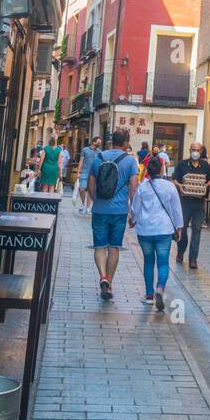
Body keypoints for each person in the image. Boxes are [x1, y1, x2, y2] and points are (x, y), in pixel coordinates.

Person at [87, 128, 139, 300]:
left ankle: (102, 276)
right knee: (114, 247)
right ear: (125, 143)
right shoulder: (130, 161)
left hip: (100, 210)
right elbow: (133, 188)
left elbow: (90, 184)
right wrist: (134, 212)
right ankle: (109, 282)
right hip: (119, 211)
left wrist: (96, 201)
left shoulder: (99, 157)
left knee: (99, 246)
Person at [129, 155, 183, 313]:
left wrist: (132, 220)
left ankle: (149, 295)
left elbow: (135, 209)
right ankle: (160, 288)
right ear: (161, 169)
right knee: (163, 262)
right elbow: (176, 210)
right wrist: (179, 227)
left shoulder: (143, 187)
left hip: (145, 230)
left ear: (147, 171)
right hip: (164, 230)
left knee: (148, 262)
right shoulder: (170, 187)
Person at [172, 142, 210, 269]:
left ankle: (193, 259)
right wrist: (180, 186)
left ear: (201, 151)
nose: (195, 152)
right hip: (184, 202)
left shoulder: (205, 165)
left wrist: (206, 185)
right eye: (193, 149)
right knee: (182, 230)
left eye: (197, 149)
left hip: (199, 203)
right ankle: (180, 252)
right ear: (190, 150)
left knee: (197, 230)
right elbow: (174, 179)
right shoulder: (182, 164)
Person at [77, 136, 101, 215]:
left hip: (94, 174)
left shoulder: (100, 152)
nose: (99, 143)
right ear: (93, 142)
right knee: (82, 189)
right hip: (84, 172)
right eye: (98, 142)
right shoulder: (85, 150)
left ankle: (87, 208)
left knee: (91, 191)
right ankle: (83, 203)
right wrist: (78, 172)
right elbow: (81, 161)